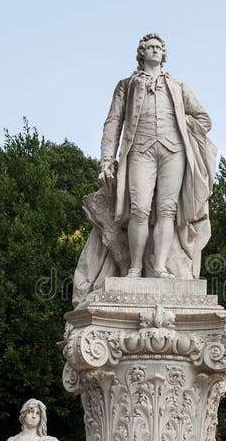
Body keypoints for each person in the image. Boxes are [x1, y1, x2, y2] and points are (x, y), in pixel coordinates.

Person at [72, 34, 216, 300]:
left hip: (174, 152)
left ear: (164, 54)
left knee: (167, 210)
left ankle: (160, 267)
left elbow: (205, 119)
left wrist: (182, 123)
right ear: (141, 53)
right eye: (150, 47)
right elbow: (113, 122)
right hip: (139, 151)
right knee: (138, 209)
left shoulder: (178, 86)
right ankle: (135, 268)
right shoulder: (126, 85)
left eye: (159, 47)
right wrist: (106, 159)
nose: (155, 50)